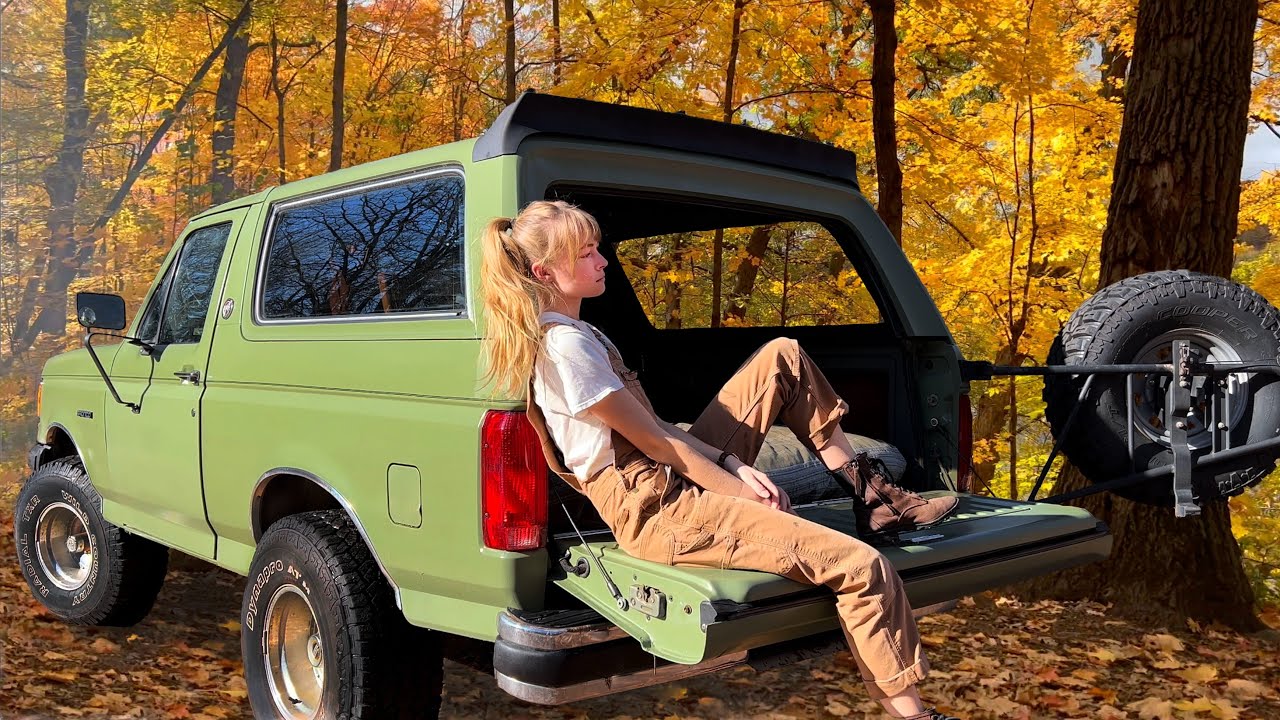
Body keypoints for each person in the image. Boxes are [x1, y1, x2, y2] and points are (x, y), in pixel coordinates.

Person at [480, 200, 961, 720]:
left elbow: (661, 430)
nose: (602, 262)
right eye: (587, 253)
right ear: (542, 272)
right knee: (861, 567)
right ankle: (914, 716)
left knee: (783, 355)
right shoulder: (564, 348)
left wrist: (732, 464)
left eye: (597, 249)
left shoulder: (587, 335)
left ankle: (869, 492)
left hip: (669, 476)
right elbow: (660, 446)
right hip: (658, 511)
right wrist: (738, 490)